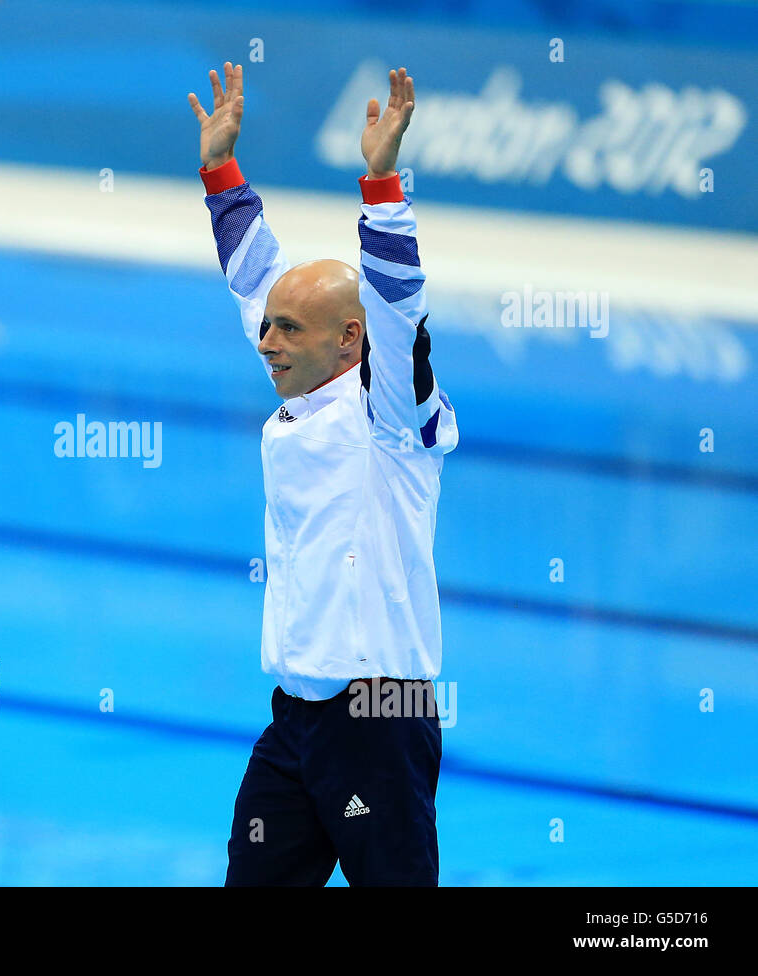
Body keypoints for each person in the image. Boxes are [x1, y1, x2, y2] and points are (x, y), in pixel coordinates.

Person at [188, 63, 459, 885]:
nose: (266, 342)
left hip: (381, 714)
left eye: (288, 331)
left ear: (349, 340)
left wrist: (381, 186)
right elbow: (254, 278)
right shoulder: (304, 372)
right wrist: (221, 172)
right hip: (297, 715)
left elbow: (398, 306)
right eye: (268, 329)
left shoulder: (393, 419)